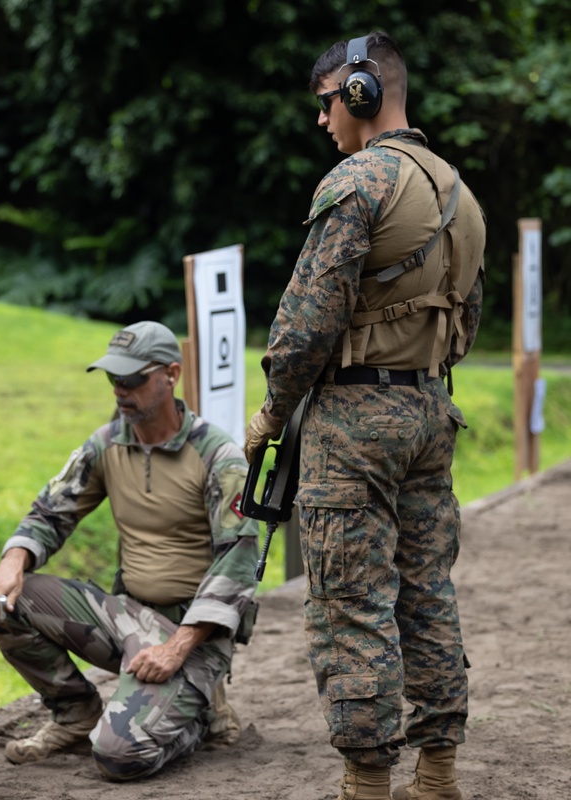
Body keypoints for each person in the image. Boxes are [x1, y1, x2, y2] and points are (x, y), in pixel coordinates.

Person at [244, 32, 485, 800]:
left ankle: (366, 782)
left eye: (326, 104)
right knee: (426, 590)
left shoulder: (357, 182)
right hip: (429, 409)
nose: (323, 122)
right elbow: (468, 318)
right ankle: (438, 770)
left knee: (351, 599)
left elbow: (307, 322)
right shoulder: (459, 192)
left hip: (353, 423)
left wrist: (271, 414)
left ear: (359, 95)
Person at [0, 320, 260, 781]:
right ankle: (76, 715)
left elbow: (239, 560)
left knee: (118, 757)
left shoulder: (217, 456)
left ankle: (200, 715)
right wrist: (11, 564)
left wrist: (178, 647)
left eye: (134, 380)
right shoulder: (107, 444)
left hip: (192, 634)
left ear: (171, 375)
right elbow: (50, 513)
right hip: (126, 616)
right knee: (5, 601)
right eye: (113, 379)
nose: (121, 391)